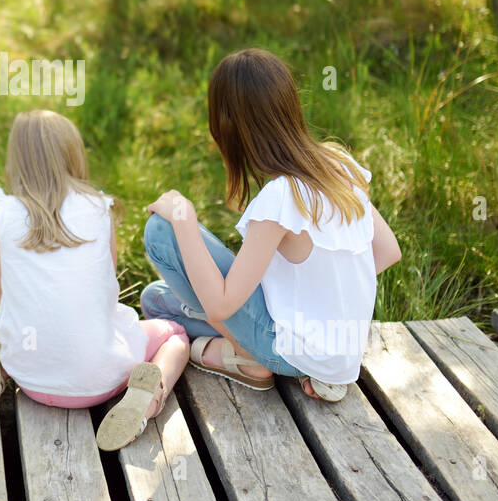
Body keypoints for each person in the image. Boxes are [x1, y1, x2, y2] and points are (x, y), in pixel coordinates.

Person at [142, 48, 402, 402]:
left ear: (229, 125)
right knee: (155, 297)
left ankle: (247, 359)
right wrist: (322, 300)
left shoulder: (281, 198)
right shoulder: (339, 164)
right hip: (340, 352)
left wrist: (184, 216)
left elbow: (220, 306)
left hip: (283, 348)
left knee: (162, 233)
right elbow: (388, 251)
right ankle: (258, 354)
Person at [0, 109, 190, 450]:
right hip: (98, 380)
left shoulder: (2, 211)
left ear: (16, 162)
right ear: (73, 155)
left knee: (15, 324)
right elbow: (104, 291)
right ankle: (149, 399)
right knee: (175, 335)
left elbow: (1, 293)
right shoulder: (100, 208)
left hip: (31, 380)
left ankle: (0, 360)